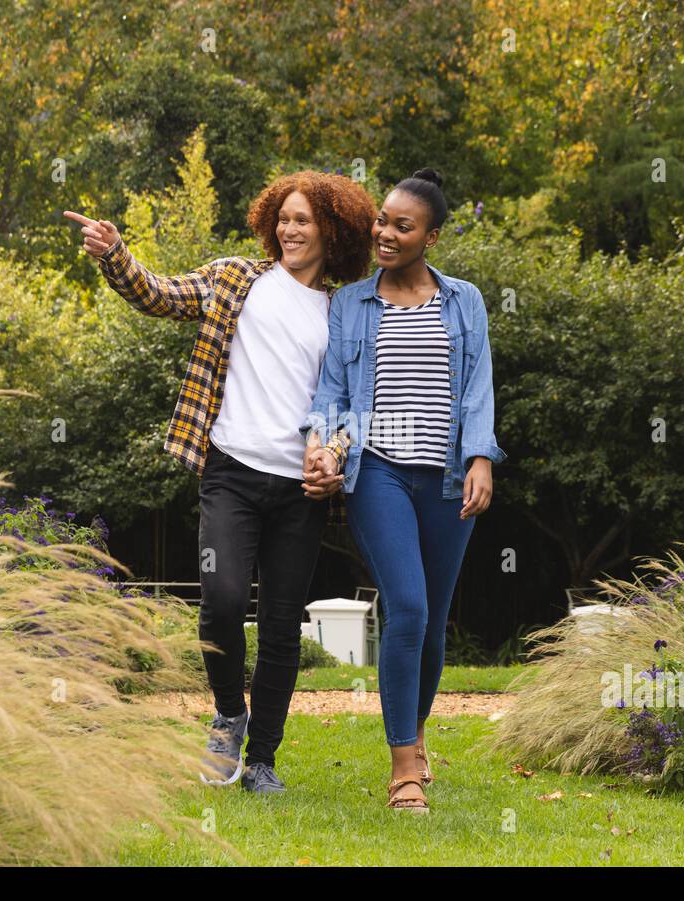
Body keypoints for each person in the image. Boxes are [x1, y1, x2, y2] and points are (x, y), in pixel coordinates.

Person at [64, 169, 374, 793]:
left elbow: (353, 402)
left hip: (299, 491)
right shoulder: (237, 277)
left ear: (332, 231)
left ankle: (262, 760)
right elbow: (161, 295)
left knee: (284, 624)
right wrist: (115, 254)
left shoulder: (344, 311)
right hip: (229, 471)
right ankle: (229, 713)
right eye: (283, 218)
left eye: (303, 220)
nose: (289, 229)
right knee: (224, 600)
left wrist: (335, 455)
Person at [301, 168, 506, 813]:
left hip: (447, 478)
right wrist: (327, 445)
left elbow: (478, 387)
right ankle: (403, 772)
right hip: (378, 471)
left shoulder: (464, 301)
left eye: (402, 226)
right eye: (382, 221)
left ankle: (415, 737)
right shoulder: (351, 303)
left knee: (433, 620)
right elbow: (333, 391)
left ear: (432, 237)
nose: (384, 234)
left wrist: (481, 457)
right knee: (409, 609)